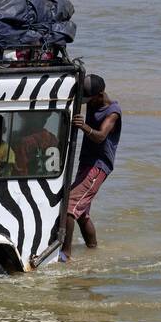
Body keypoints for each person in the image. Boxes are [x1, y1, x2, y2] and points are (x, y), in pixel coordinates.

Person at [63, 74, 122, 260]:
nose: (87, 103)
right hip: (86, 162)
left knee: (70, 207)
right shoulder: (92, 102)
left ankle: (66, 254)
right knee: (82, 213)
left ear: (100, 94)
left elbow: (100, 136)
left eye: (89, 99)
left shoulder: (112, 112)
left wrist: (84, 127)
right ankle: (93, 250)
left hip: (99, 165)